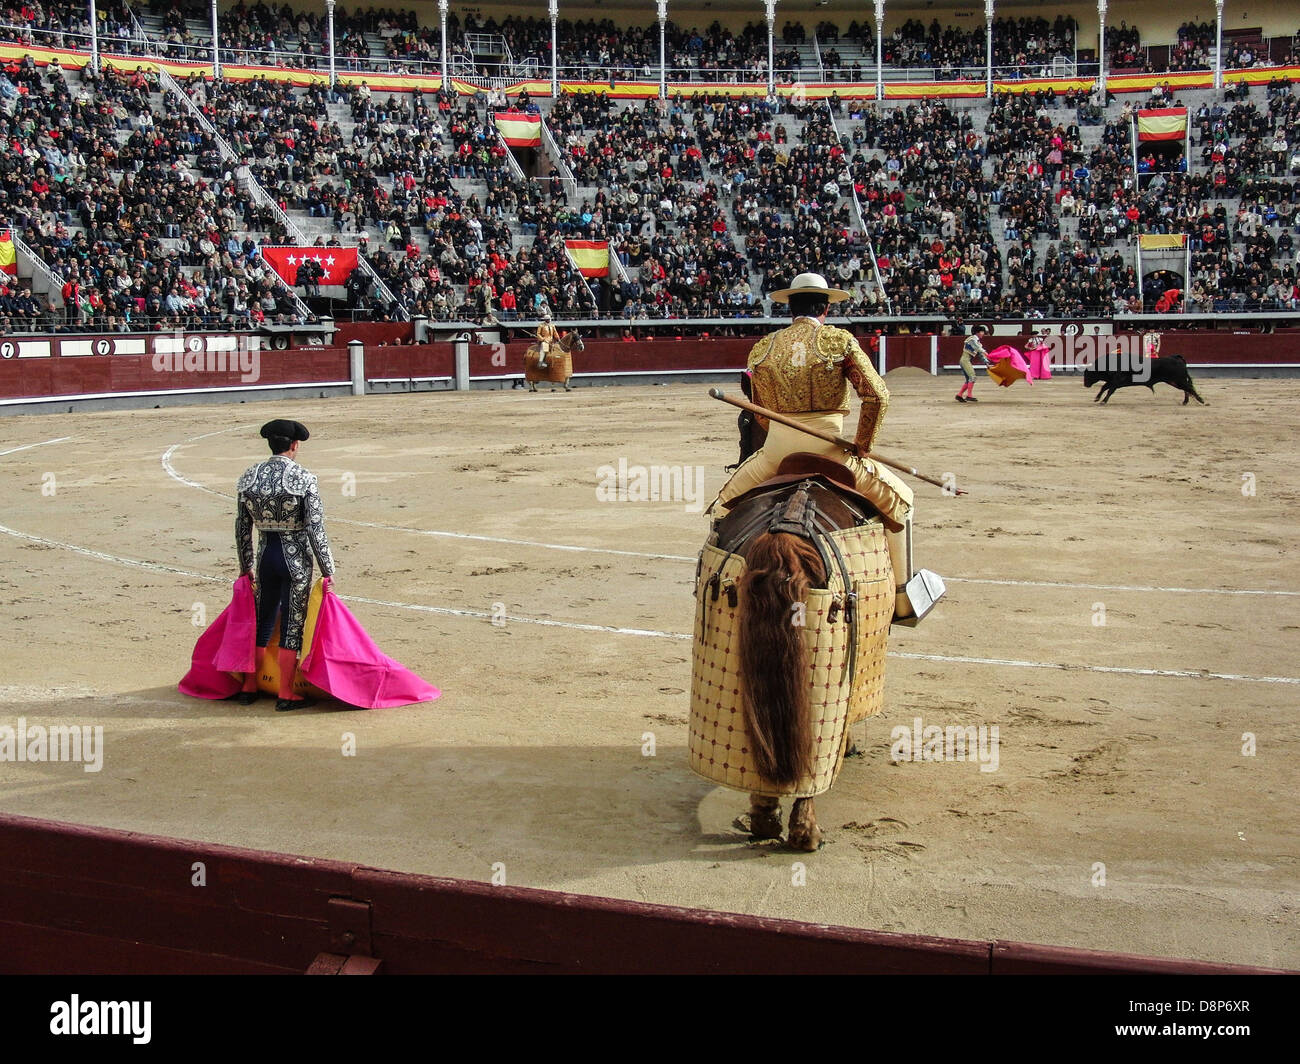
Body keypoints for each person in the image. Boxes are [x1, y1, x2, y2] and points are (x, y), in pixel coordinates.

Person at [234, 419, 336, 711]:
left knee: (261, 620)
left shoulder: (249, 477)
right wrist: (328, 569)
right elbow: (316, 529)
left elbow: (242, 528)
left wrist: (246, 566)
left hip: (266, 556)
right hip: (294, 559)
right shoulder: (304, 478)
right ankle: (285, 693)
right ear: (295, 445)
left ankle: (249, 685)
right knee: (292, 624)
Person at [956, 324, 990, 402]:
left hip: (965, 361)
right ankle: (969, 395)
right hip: (965, 361)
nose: (983, 334)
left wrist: (986, 362)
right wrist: (985, 352)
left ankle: (959, 395)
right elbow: (976, 347)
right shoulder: (971, 339)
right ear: (977, 332)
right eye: (982, 332)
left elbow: (980, 354)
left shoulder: (978, 343)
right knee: (972, 377)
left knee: (969, 379)